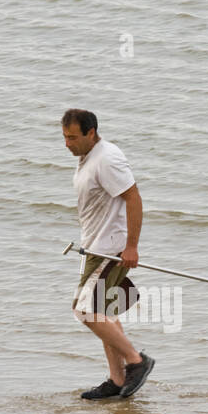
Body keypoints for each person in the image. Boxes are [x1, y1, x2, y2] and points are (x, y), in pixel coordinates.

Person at [62, 108, 156, 399]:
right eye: (64, 137)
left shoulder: (108, 158)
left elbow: (133, 197)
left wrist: (131, 246)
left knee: (84, 310)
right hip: (93, 248)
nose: (67, 144)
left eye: (73, 137)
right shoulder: (87, 157)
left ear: (91, 133)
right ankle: (117, 380)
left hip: (110, 250)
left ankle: (137, 362)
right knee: (104, 312)